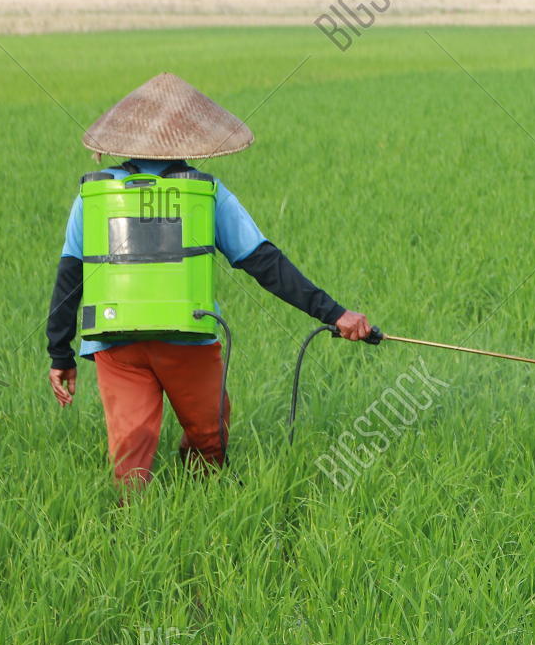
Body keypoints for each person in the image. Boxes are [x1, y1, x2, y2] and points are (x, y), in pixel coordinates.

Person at [47, 73, 372, 485]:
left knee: (131, 457)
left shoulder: (94, 195)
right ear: (190, 140)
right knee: (210, 441)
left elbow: (70, 276)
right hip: (188, 338)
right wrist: (335, 313)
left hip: (115, 341)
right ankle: (197, 496)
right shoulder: (205, 193)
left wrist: (60, 353)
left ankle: (137, 524)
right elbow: (263, 262)